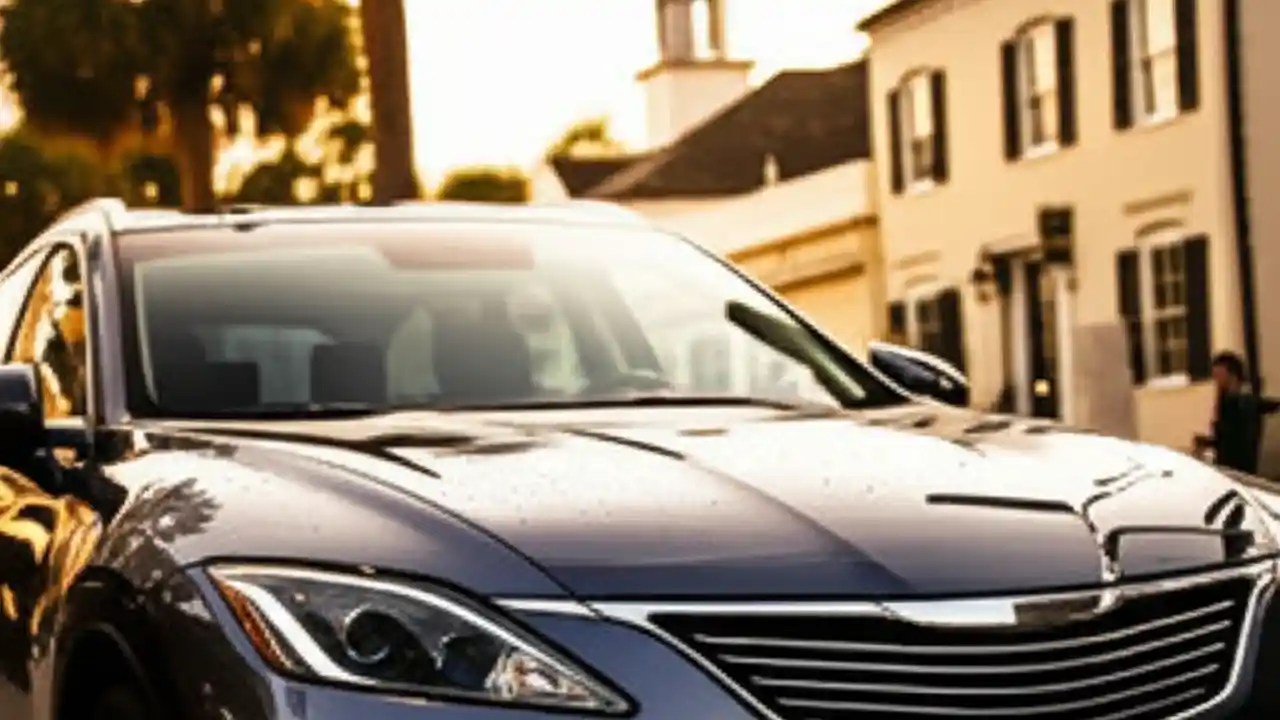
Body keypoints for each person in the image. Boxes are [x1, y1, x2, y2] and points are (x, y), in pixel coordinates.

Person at [1196, 352, 1263, 474]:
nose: (1215, 379)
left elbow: (1238, 439)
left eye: (1218, 375)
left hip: (1240, 470)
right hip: (1226, 468)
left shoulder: (1243, 402)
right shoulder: (1223, 400)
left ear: (1232, 375)